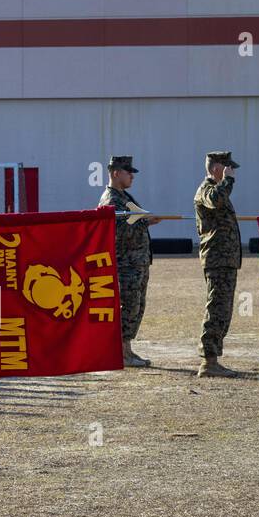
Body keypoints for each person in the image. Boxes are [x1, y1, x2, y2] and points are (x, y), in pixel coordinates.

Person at [98, 154, 160, 367]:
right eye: (128, 172)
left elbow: (133, 221)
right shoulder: (111, 200)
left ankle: (127, 350)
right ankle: (122, 353)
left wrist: (145, 221)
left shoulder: (125, 197)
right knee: (128, 306)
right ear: (116, 173)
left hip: (137, 262)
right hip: (125, 264)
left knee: (136, 306)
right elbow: (120, 231)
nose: (132, 176)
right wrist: (146, 222)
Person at [194, 150, 241, 378]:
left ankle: (213, 359)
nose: (231, 171)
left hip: (226, 261)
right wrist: (228, 180)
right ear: (215, 168)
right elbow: (215, 200)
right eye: (227, 167)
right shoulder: (207, 190)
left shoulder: (218, 190)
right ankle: (208, 362)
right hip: (216, 259)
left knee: (223, 310)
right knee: (216, 309)